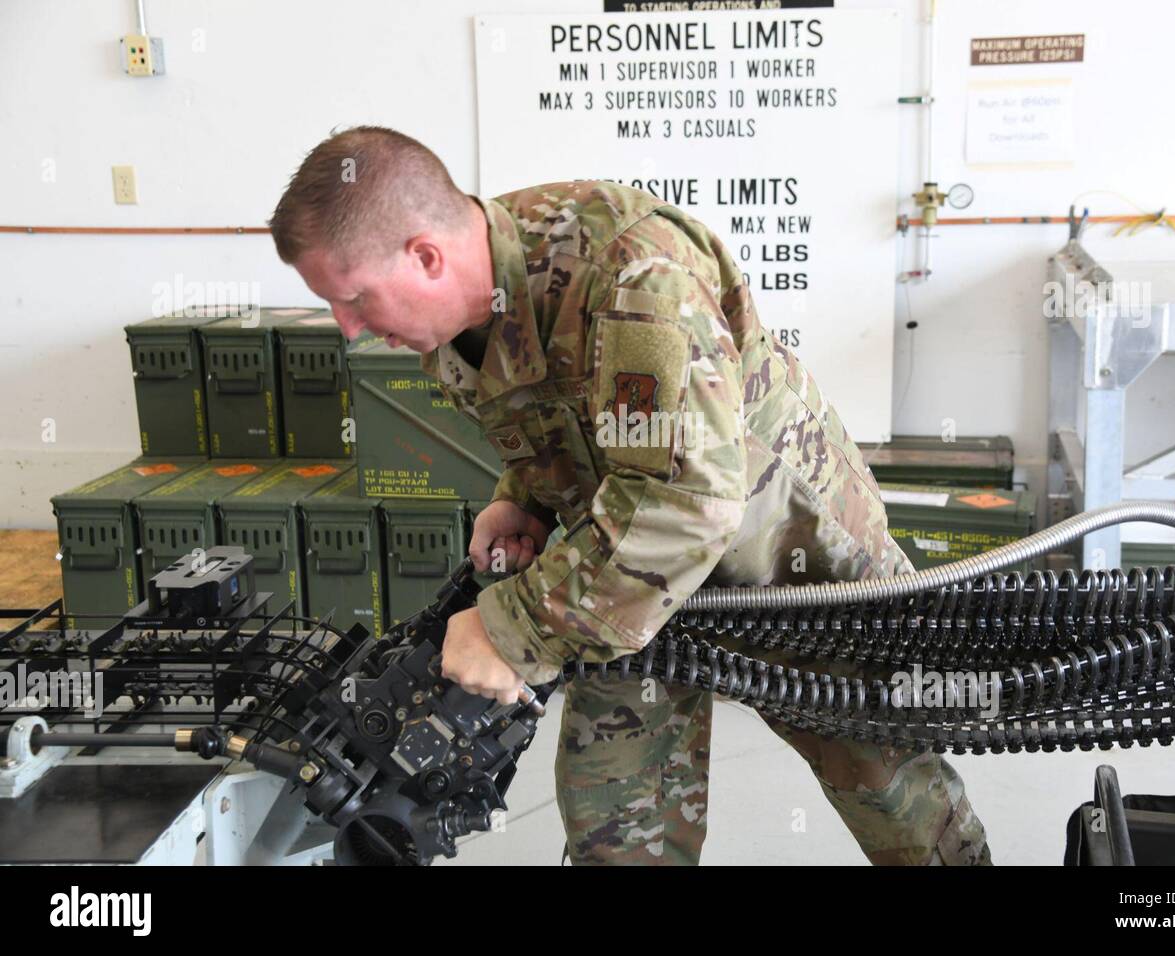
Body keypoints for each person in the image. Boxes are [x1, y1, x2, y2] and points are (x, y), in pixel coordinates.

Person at [270, 126, 991, 866]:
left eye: (353, 298)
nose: (348, 327)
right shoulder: (466, 316)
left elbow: (690, 499)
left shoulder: (634, 275)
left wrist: (512, 630)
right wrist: (526, 499)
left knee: (885, 784)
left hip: (788, 561)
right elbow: (588, 425)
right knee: (613, 811)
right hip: (623, 576)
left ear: (425, 254)